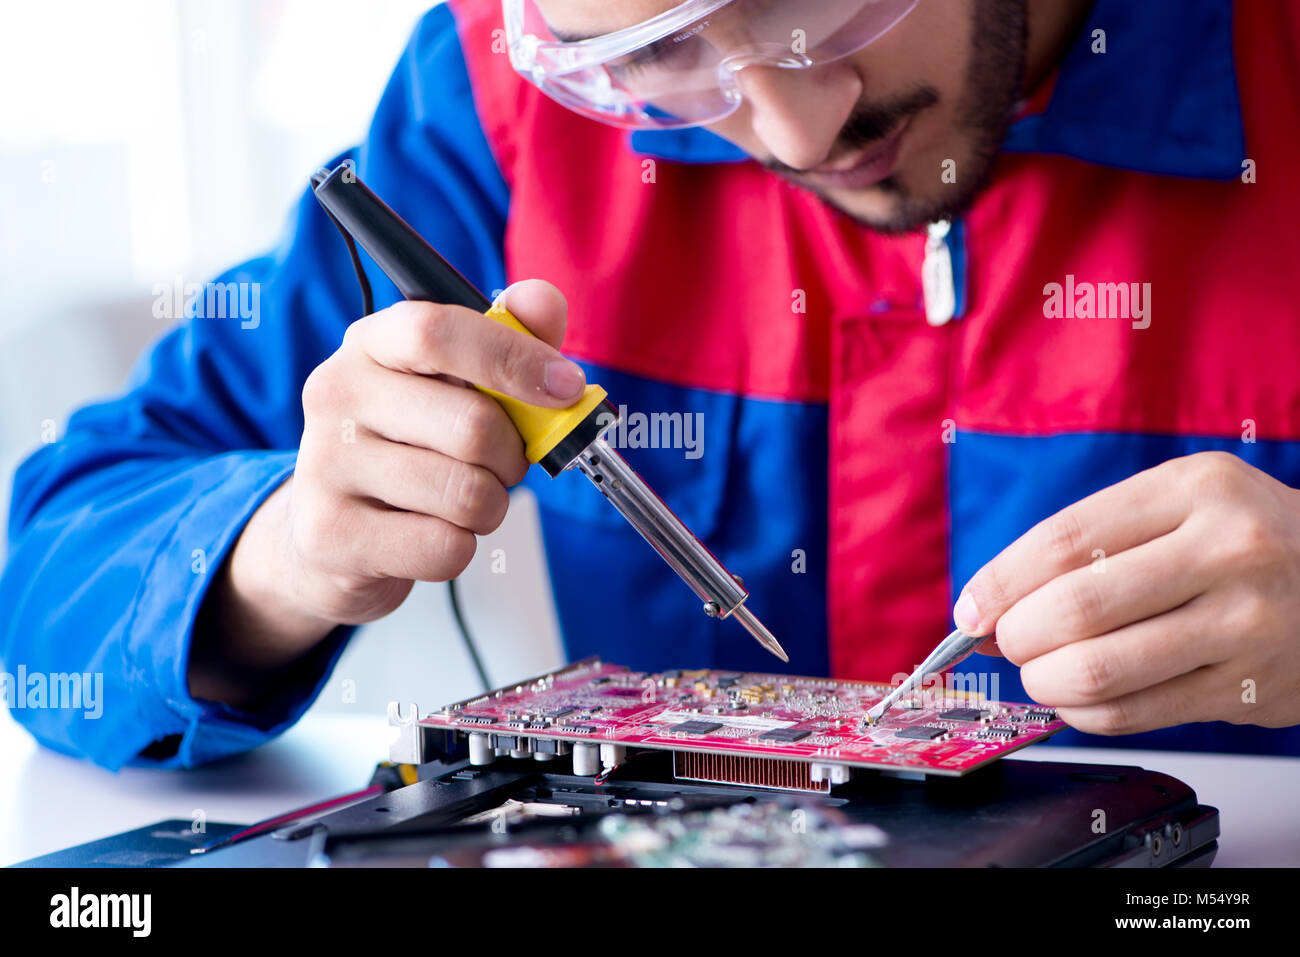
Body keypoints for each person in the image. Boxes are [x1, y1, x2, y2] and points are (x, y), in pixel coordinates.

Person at [3, 0, 1298, 770]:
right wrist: (276, 555)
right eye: (659, 53)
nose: (795, 135)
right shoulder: (502, 110)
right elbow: (59, 563)